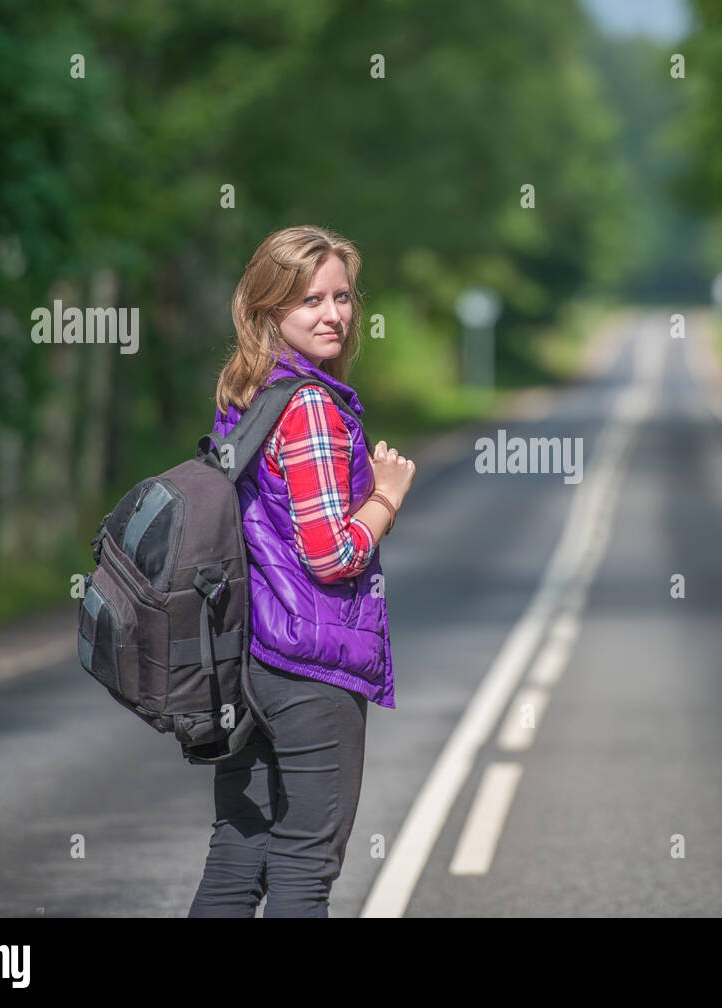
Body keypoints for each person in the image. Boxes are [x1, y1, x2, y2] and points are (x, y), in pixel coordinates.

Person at [188, 225, 415, 917]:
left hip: (246, 655)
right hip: (309, 665)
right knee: (305, 864)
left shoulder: (250, 394)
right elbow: (330, 553)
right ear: (268, 310)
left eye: (342, 296)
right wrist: (385, 497)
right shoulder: (312, 407)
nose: (333, 315)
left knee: (240, 847)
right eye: (309, 300)